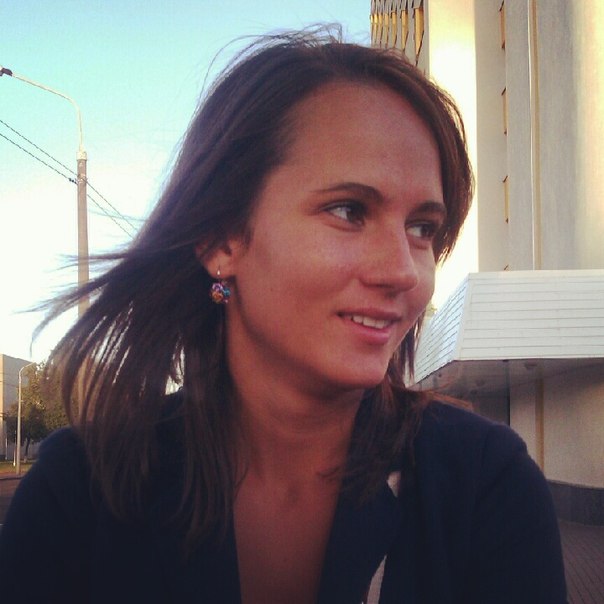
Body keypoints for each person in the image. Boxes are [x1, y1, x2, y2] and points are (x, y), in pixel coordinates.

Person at [0, 27, 567, 603]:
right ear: (221, 239)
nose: (402, 271)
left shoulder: (484, 486)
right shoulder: (82, 494)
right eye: (348, 211)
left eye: (422, 228)